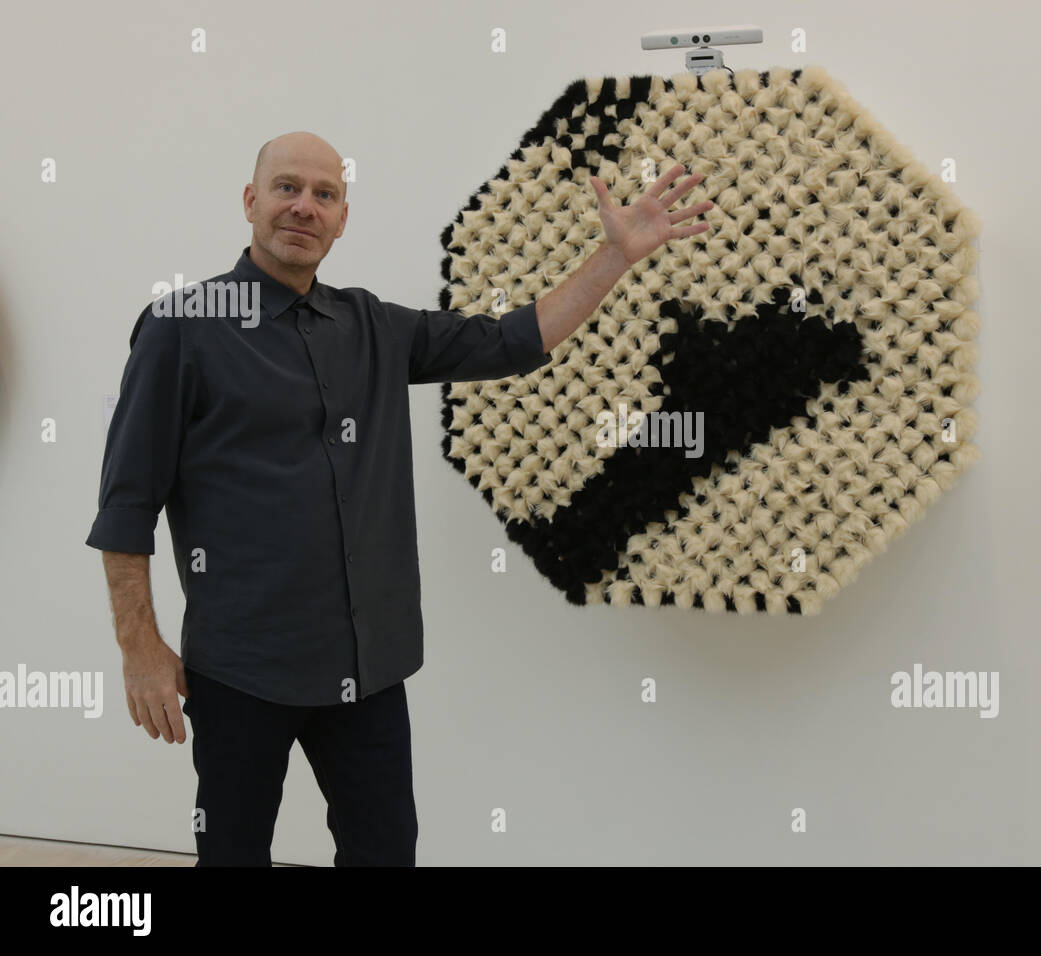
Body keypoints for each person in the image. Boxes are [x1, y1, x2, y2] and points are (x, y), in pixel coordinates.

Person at [86, 131, 713, 866]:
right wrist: (140, 648)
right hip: (240, 671)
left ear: (342, 218)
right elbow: (127, 504)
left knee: (385, 853)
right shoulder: (181, 328)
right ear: (251, 201)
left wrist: (614, 256)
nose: (305, 207)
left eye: (325, 194)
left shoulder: (374, 326)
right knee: (232, 853)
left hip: (368, 668)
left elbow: (512, 341)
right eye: (287, 188)